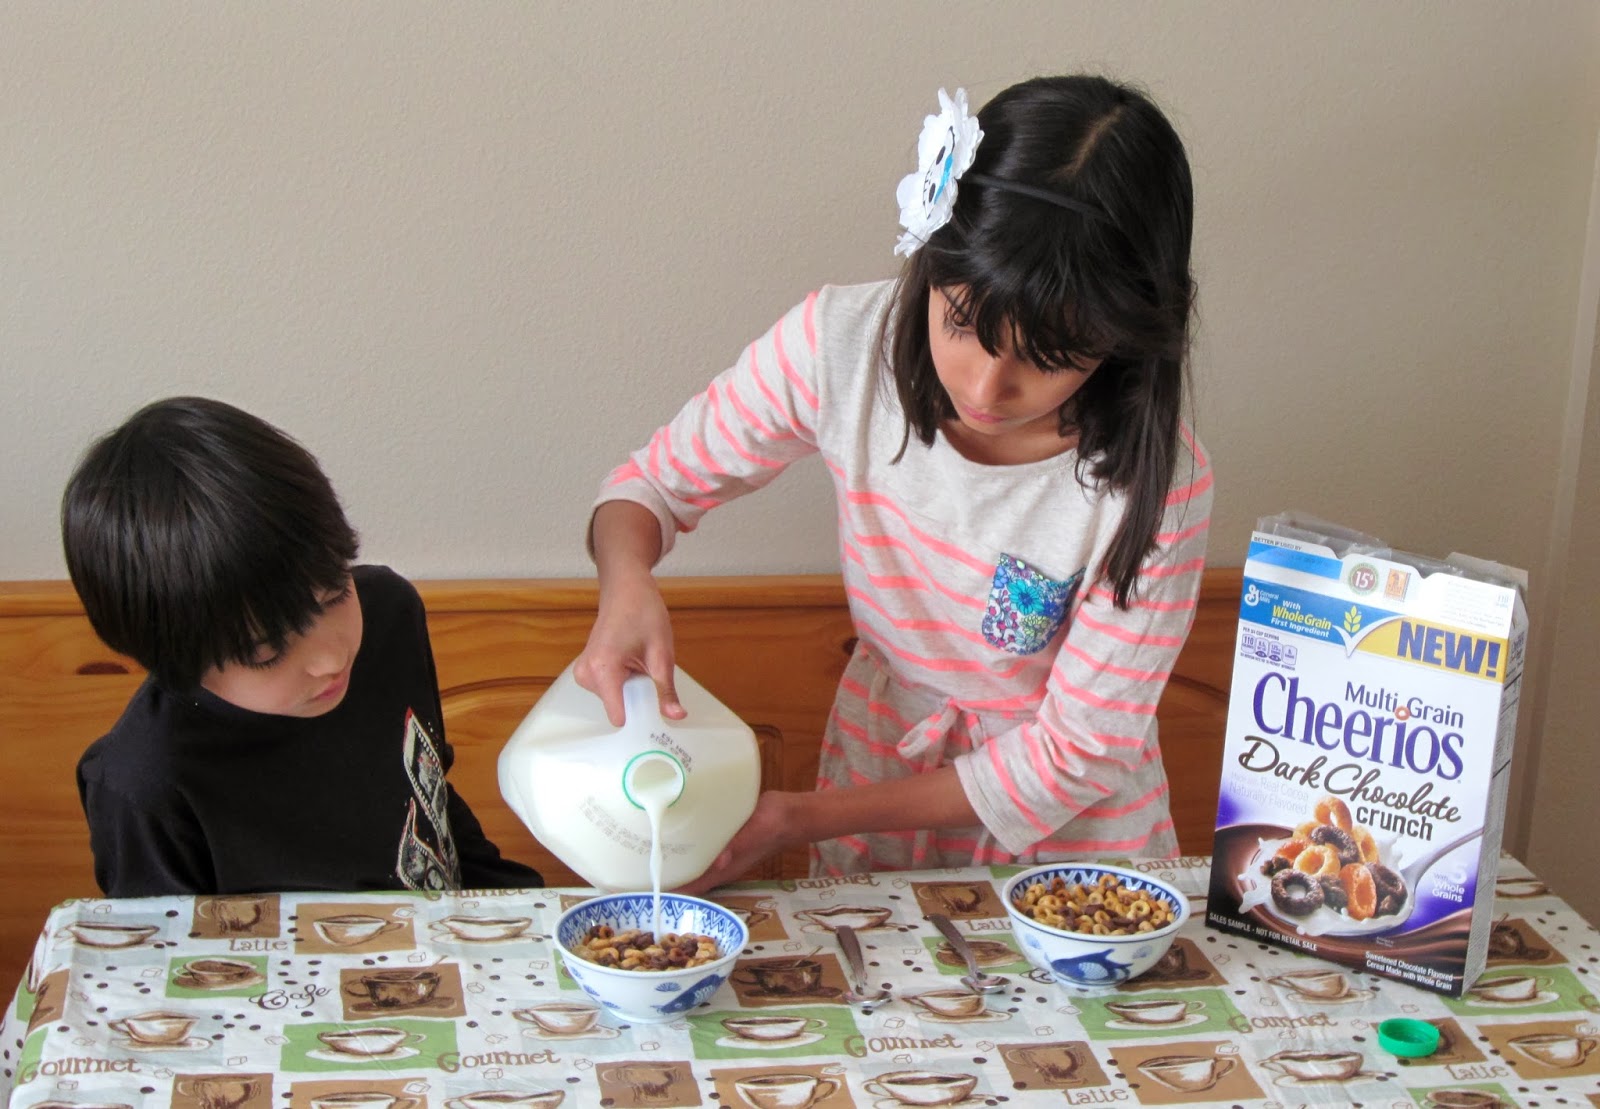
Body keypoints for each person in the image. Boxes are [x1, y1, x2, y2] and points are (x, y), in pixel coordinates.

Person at [576, 75, 1213, 888]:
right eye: (960, 322)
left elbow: (1075, 753)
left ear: (1124, 339)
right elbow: (651, 487)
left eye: (1051, 358)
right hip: (879, 773)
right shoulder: (839, 348)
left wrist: (797, 816)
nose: (985, 388)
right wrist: (625, 581)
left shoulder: (1159, 481)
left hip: (1073, 842)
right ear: (932, 255)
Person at [64, 396, 543, 897]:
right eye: (266, 650)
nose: (330, 659)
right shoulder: (144, 786)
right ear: (175, 660)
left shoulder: (389, 615)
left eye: (334, 595)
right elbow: (175, 968)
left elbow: (428, 804)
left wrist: (526, 910)